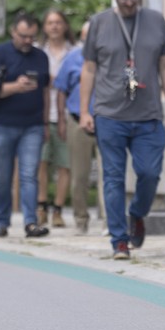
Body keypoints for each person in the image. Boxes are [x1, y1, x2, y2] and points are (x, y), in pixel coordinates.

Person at [79, 0, 165, 260]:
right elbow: (89, 69)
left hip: (148, 114)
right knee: (113, 178)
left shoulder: (155, 20)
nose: (130, 3)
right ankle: (119, 240)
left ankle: (137, 213)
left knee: (149, 173)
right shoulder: (99, 24)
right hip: (109, 114)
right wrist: (84, 111)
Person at [0, 13, 52, 239]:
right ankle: (2, 222)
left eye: (32, 37)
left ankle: (31, 223)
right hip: (2, 124)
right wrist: (15, 87)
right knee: (3, 177)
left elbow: (45, 91)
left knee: (29, 175)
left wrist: (46, 122)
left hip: (33, 125)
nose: (27, 41)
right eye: (23, 36)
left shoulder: (41, 57)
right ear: (13, 32)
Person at [55, 20, 103, 235]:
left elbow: (129, 82)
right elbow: (61, 90)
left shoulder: (112, 56)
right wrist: (62, 120)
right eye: (86, 37)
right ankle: (81, 220)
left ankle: (110, 221)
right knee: (79, 176)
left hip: (107, 121)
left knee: (109, 175)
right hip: (77, 120)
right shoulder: (73, 58)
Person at [37, 9, 75, 228]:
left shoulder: (74, 52)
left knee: (65, 164)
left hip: (67, 114)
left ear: (65, 25)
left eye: (58, 22)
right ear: (45, 27)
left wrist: (57, 81)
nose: (54, 26)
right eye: (50, 22)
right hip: (42, 114)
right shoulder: (38, 52)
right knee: (41, 162)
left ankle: (58, 209)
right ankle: (41, 206)